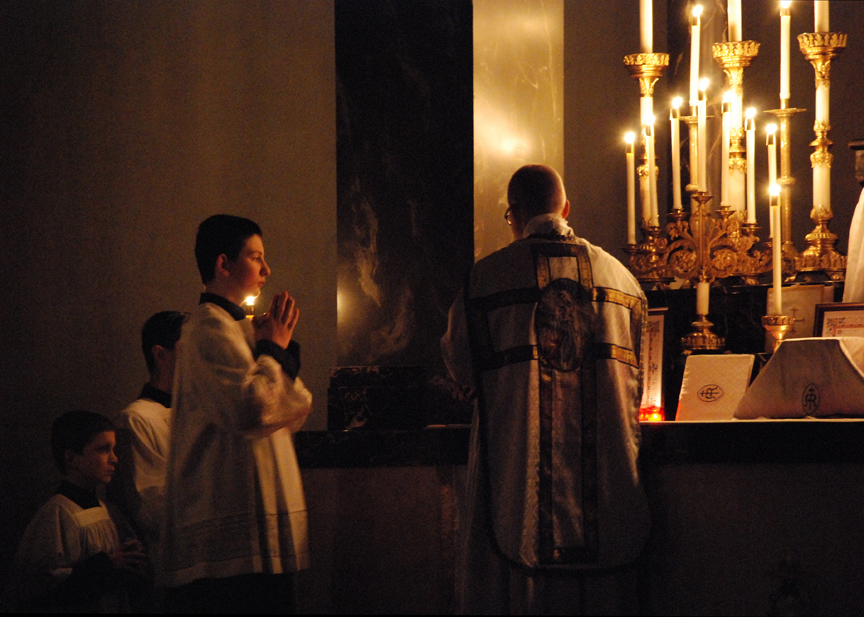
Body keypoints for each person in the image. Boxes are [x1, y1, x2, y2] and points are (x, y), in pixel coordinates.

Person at [440, 164, 650, 615]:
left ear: (514, 214)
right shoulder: (621, 280)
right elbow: (639, 378)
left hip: (516, 476)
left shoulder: (485, 280)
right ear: (566, 209)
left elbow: (460, 364)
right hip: (605, 485)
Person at [159, 214, 313, 614]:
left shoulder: (239, 329)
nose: (267, 270)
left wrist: (273, 348)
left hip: (261, 517)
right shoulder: (207, 328)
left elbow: (297, 406)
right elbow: (251, 410)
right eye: (256, 257)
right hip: (228, 542)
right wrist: (273, 349)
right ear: (223, 264)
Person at [5, 410, 149, 613]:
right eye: (103, 449)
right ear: (72, 459)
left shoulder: (109, 510)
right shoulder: (57, 515)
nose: (114, 459)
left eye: (113, 449)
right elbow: (42, 587)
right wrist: (107, 567)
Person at [110, 311, 187, 560]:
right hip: (170, 555)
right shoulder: (136, 419)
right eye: (190, 349)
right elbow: (150, 508)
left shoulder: (199, 411)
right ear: (161, 355)